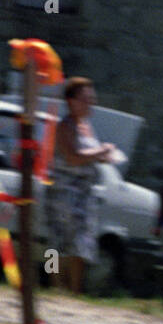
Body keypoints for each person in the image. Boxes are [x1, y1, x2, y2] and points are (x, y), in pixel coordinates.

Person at [46, 77, 117, 293]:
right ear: (72, 101)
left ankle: (74, 290)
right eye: (86, 99)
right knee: (58, 245)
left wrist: (103, 156)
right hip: (63, 195)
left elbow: (87, 155)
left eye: (91, 99)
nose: (90, 104)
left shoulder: (86, 127)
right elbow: (71, 157)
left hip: (83, 196)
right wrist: (101, 152)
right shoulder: (63, 127)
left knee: (81, 247)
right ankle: (56, 286)